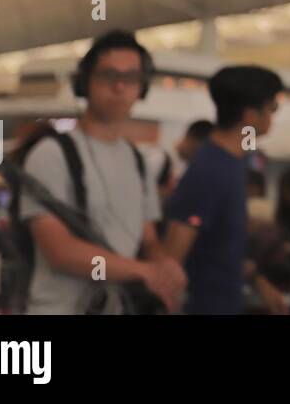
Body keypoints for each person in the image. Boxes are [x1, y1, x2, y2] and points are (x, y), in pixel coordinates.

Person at [20, 30, 185, 314]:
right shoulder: (51, 154)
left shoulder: (137, 160)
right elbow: (58, 250)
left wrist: (162, 265)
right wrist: (144, 271)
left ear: (141, 88)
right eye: (109, 75)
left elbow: (148, 238)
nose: (120, 87)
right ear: (85, 83)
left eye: (131, 78)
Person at [163, 66, 287, 314]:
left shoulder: (230, 164)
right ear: (251, 115)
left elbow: (218, 250)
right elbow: (172, 258)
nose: (273, 116)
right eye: (272, 107)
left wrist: (259, 283)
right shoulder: (211, 170)